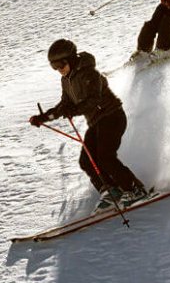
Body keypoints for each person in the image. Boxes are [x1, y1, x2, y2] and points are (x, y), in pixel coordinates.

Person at [29, 39, 149, 208]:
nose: (59, 70)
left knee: (105, 156)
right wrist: (44, 117)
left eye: (60, 65)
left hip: (112, 116)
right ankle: (111, 190)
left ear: (70, 60)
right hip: (95, 122)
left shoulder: (90, 74)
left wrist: (75, 110)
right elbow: (65, 104)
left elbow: (94, 100)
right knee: (86, 160)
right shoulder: (66, 80)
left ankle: (135, 189)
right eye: (54, 67)